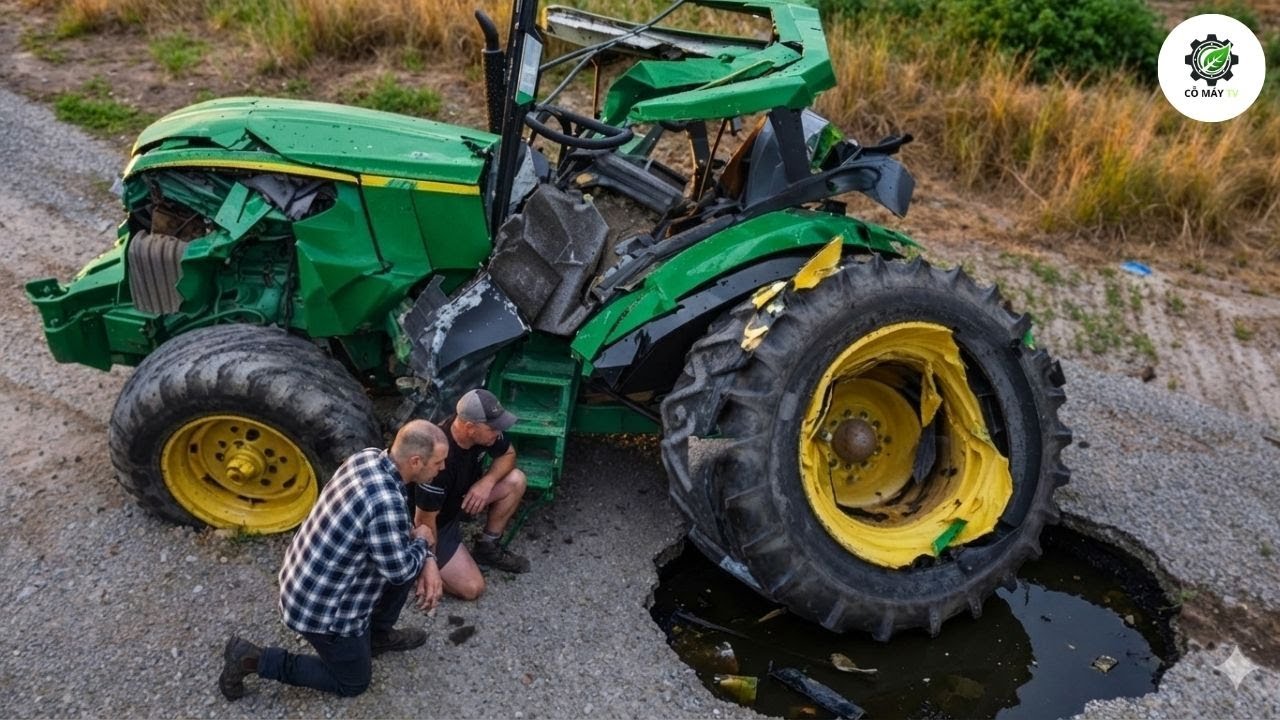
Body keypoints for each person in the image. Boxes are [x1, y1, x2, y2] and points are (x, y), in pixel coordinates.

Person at [218, 420, 449, 700]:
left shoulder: (369, 458)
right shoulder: (384, 501)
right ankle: (252, 659)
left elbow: (397, 538)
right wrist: (424, 542)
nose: (443, 468)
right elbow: (400, 570)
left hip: (307, 581)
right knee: (353, 683)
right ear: (415, 461)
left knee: (408, 559)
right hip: (322, 610)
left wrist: (426, 558)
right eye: (438, 462)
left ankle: (376, 637)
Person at [414, 388, 530, 601]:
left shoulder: (485, 435)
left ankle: (487, 547)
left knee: (516, 480)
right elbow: (424, 522)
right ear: (469, 427)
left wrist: (487, 482)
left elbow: (509, 453)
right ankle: (411, 567)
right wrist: (429, 565)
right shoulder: (438, 459)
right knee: (472, 588)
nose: (498, 432)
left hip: (460, 500)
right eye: (493, 428)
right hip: (435, 522)